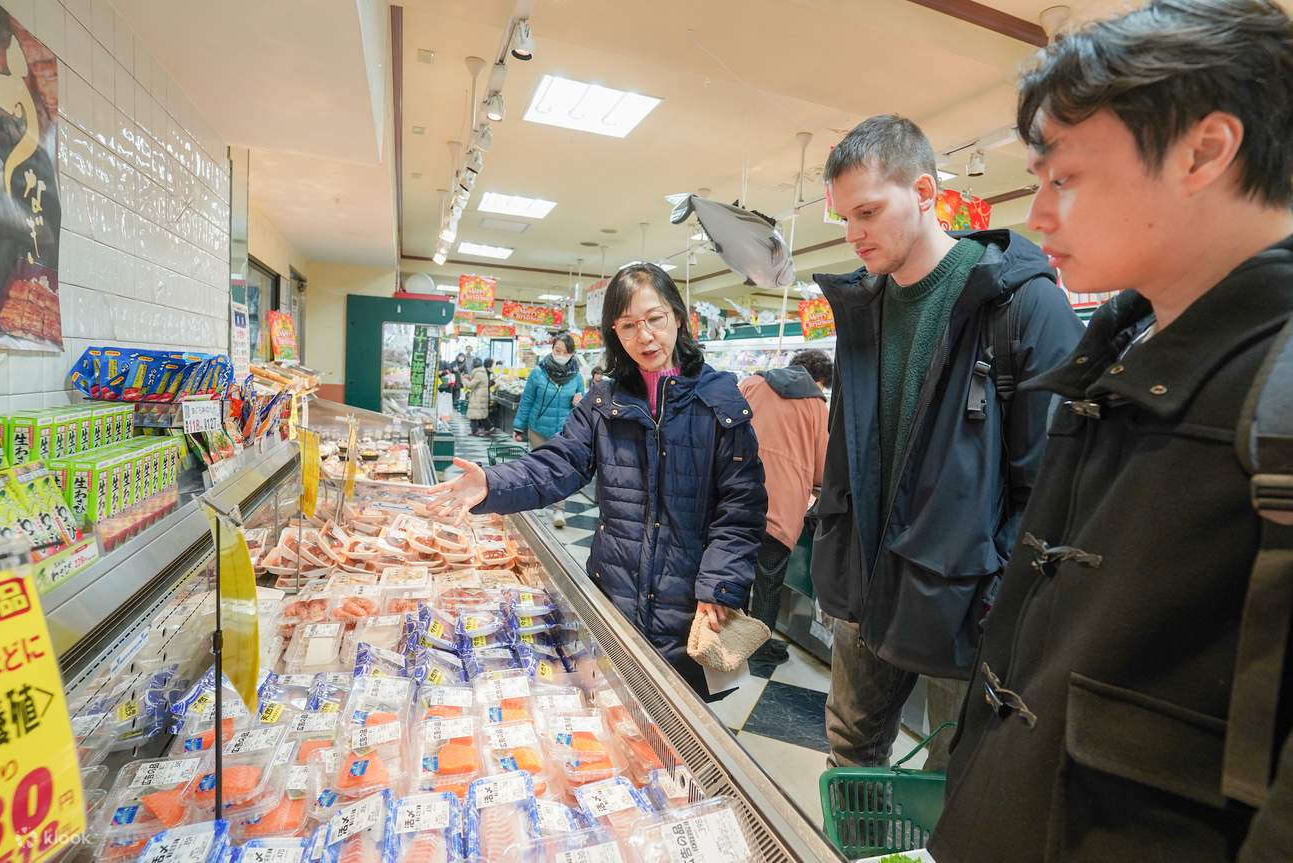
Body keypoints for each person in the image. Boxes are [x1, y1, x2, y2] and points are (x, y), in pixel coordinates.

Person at [931, 2, 1293, 860]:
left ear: (1203, 150)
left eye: (1062, 177)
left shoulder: (1272, 389)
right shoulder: (1124, 347)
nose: (1040, 214)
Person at [811, 115, 1084, 772]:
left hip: (962, 606)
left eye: (868, 211)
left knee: (950, 783)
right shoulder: (862, 311)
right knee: (850, 762)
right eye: (842, 217)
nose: (853, 235)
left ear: (926, 191)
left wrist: (997, 595)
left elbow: (1053, 483)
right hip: (862, 593)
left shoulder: (1020, 306)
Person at [427, 263, 767, 700]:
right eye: (628, 325)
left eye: (654, 319)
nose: (644, 336)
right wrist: (492, 484)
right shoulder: (604, 403)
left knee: (679, 733)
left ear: (678, 318)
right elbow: (559, 462)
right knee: (614, 718)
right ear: (614, 334)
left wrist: (721, 585)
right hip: (615, 596)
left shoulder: (719, 404)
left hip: (691, 607)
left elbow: (741, 509)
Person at [736, 349, 832, 666]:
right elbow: (822, 469)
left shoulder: (751, 384)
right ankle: (758, 648)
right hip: (782, 505)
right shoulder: (817, 406)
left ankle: (726, 638)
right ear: (818, 381)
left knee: (733, 570)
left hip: (738, 494)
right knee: (768, 581)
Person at [512, 333, 586, 528]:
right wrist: (518, 426)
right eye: (557, 350)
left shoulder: (577, 377)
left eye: (565, 352)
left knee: (560, 470)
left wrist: (579, 403)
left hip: (563, 431)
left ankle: (559, 509)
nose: (561, 354)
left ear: (572, 353)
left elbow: (583, 405)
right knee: (539, 468)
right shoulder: (538, 373)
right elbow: (527, 400)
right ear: (552, 350)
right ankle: (535, 502)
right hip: (538, 429)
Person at [465, 358, 490, 436]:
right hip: (481, 395)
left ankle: (474, 431)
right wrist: (469, 377)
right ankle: (489, 427)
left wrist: (464, 380)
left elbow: (470, 385)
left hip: (478, 396)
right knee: (480, 414)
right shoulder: (482, 372)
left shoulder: (478, 373)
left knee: (474, 414)